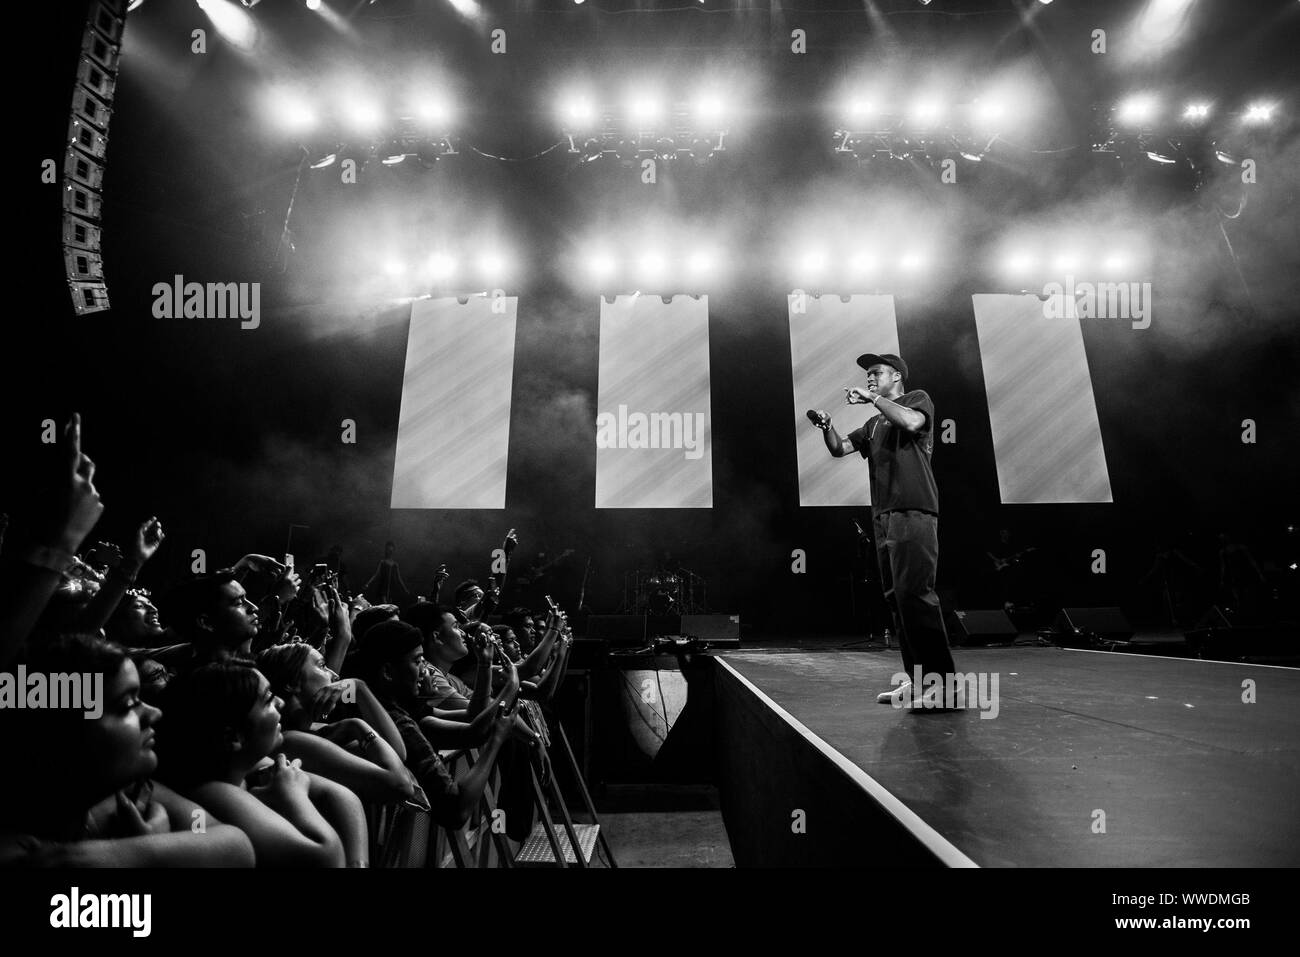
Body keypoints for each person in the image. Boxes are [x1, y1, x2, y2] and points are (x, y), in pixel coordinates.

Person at [0, 634, 254, 867]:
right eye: (128, 704)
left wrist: (140, 849)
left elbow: (223, 836)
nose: (154, 713)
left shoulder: (132, 792)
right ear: (60, 731)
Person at [811, 352, 958, 708]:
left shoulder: (916, 400)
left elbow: (910, 423)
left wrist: (872, 398)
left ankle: (945, 688)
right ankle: (918, 681)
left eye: (876, 372)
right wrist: (828, 426)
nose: (870, 378)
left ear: (897, 376)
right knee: (898, 600)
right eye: (868, 375)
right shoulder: (874, 424)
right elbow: (840, 448)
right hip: (884, 516)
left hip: (914, 510)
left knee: (916, 596)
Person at [154, 661, 369, 867]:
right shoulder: (211, 792)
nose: (280, 703)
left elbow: (344, 798)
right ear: (234, 737)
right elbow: (324, 856)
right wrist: (294, 795)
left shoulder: (244, 767)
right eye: (268, 699)